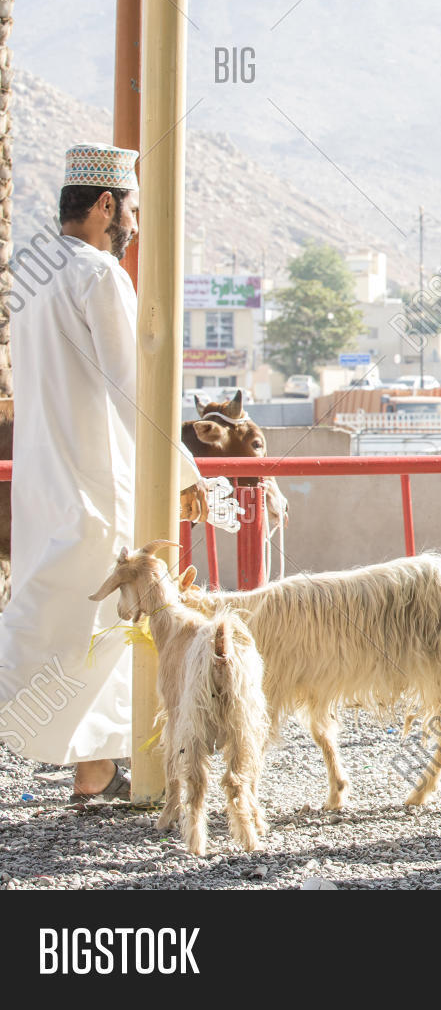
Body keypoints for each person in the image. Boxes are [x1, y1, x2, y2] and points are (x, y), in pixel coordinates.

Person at [0, 144, 205, 801]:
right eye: (133, 211)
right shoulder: (98, 276)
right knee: (106, 629)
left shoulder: (27, 273)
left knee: (60, 629)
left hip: (42, 487)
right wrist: (184, 469)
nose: (136, 227)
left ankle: (95, 776)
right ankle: (116, 773)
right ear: (106, 204)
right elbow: (133, 388)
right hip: (96, 484)